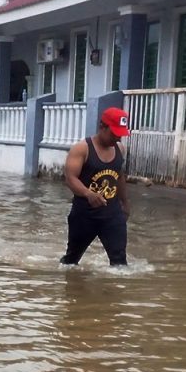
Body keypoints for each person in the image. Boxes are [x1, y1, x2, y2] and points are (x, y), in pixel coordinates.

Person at [60, 107, 131, 266]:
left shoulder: (120, 149)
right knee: (71, 261)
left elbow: (119, 176)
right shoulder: (81, 149)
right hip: (84, 215)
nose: (117, 138)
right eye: (114, 133)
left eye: (120, 134)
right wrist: (88, 194)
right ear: (102, 127)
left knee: (120, 262)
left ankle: (116, 291)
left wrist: (125, 202)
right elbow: (70, 178)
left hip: (112, 214)